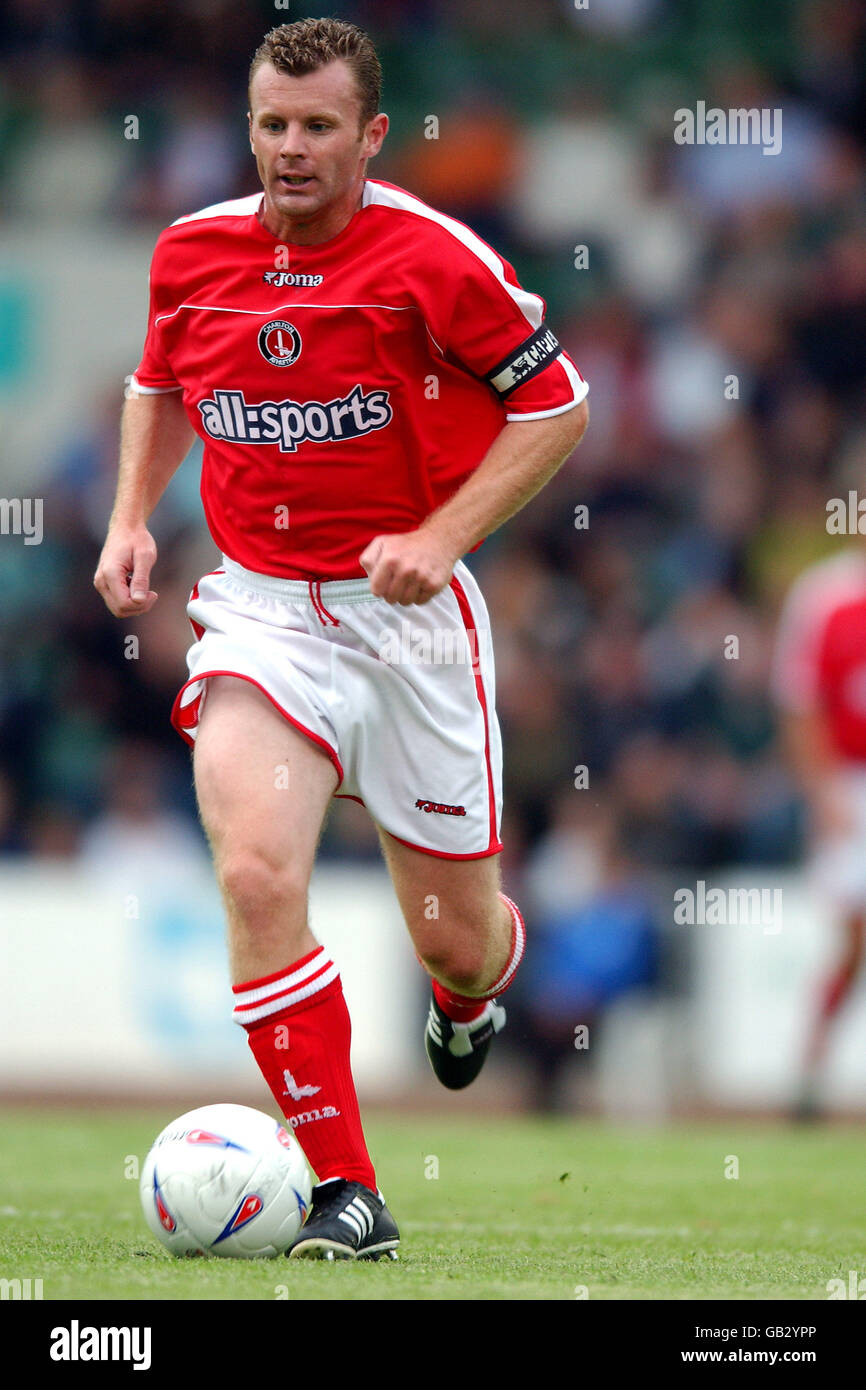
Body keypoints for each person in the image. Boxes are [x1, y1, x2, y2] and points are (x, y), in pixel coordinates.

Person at [94, 17, 589, 1260]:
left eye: (319, 126)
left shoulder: (436, 258)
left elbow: (556, 404)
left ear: (369, 134)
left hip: (408, 624)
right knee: (258, 875)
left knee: (452, 941)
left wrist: (441, 533)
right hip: (258, 606)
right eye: (272, 122)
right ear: (246, 122)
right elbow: (160, 380)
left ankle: (471, 990)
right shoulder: (191, 250)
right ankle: (347, 1190)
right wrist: (129, 519)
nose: (292, 147)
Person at [772, 542, 866, 1118]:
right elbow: (800, 703)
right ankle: (810, 1066)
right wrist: (822, 790)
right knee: (853, 938)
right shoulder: (826, 595)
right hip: (849, 785)